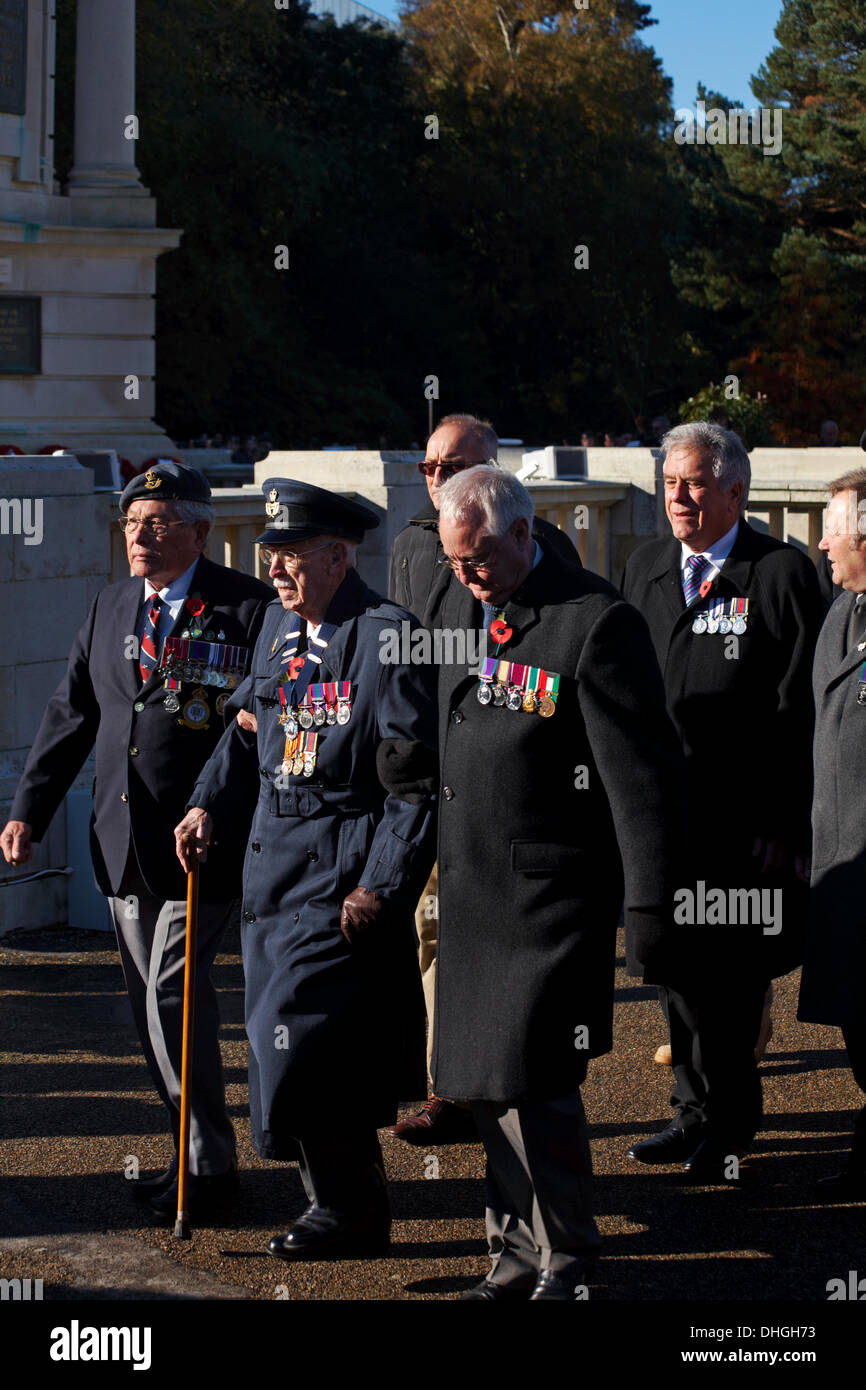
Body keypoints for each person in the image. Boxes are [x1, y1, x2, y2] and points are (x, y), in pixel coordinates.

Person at [431, 466, 683, 1300]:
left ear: (521, 534)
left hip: (549, 901)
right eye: (453, 562)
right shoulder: (470, 605)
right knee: (481, 1086)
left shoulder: (594, 621)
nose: (465, 576)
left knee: (539, 1083)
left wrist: (648, 907)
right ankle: (510, 1252)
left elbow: (642, 784)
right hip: (474, 895)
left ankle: (568, 1254)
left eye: (477, 560)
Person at [0, 461, 273, 1217]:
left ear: (200, 530)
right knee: (148, 1008)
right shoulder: (112, 606)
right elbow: (70, 715)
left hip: (202, 845)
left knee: (172, 994)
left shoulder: (245, 610)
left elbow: (255, 730)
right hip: (121, 842)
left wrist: (216, 805)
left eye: (156, 523)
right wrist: (30, 809)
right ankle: (191, 1157)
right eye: (130, 524)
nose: (139, 537)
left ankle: (211, 1173)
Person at [175, 478, 438, 1259]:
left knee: (306, 1034)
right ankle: (341, 1207)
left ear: (338, 555)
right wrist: (204, 806)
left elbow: (413, 783)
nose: (279, 573)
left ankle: (349, 1211)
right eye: (272, 558)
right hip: (270, 868)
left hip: (339, 867)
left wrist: (382, 885)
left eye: (292, 558)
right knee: (286, 1039)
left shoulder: (387, 635)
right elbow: (245, 730)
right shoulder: (276, 633)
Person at [621, 421, 822, 1182]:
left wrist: (784, 822)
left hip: (742, 829)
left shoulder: (779, 573)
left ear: (734, 491)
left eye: (696, 482)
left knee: (732, 984)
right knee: (674, 969)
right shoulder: (643, 568)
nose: (679, 496)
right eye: (671, 481)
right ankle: (690, 1112)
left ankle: (731, 1127)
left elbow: (799, 708)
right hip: (661, 823)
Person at [387, 413, 580, 1145]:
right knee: (431, 935)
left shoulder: (538, 546)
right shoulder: (411, 543)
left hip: (507, 784)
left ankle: (480, 1088)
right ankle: (451, 1085)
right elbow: (402, 650)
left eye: (457, 465)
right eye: (431, 467)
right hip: (432, 775)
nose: (440, 479)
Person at [799, 467, 866, 1193]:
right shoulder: (840, 612)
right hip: (839, 856)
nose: (822, 542)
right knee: (852, 1011)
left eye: (835, 526)